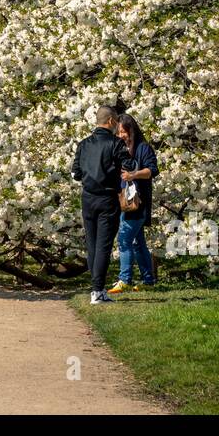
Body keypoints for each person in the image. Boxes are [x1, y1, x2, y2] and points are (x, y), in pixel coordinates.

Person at [72, 105, 134, 305]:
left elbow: (76, 174)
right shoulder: (115, 144)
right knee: (103, 246)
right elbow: (129, 166)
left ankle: (95, 289)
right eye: (116, 122)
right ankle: (97, 291)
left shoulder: (83, 144)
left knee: (92, 245)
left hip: (88, 198)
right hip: (107, 199)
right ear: (110, 122)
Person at [109, 114, 158, 294]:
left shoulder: (143, 148)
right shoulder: (119, 149)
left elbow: (152, 171)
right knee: (138, 242)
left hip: (138, 202)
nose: (121, 135)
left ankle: (125, 279)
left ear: (132, 130)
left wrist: (133, 175)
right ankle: (148, 280)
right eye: (119, 132)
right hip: (123, 202)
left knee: (124, 240)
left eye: (124, 131)